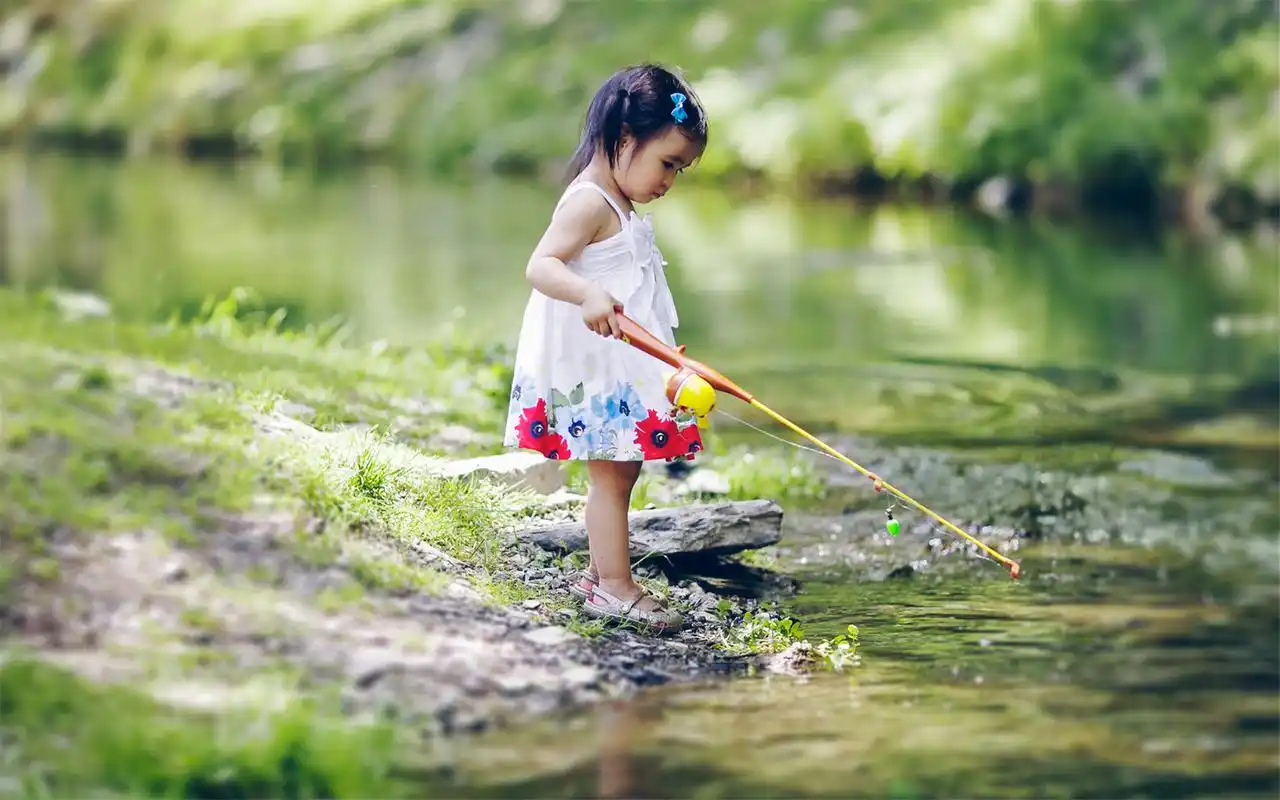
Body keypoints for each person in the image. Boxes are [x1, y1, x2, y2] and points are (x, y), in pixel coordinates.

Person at [502, 64, 709, 634]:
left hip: (619, 362)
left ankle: (600, 575)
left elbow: (636, 287)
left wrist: (661, 349)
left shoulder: (619, 203)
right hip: (592, 367)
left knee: (624, 467)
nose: (670, 180)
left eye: (680, 170)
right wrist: (586, 291)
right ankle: (614, 587)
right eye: (667, 163)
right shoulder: (589, 202)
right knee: (612, 474)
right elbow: (541, 265)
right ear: (623, 140)